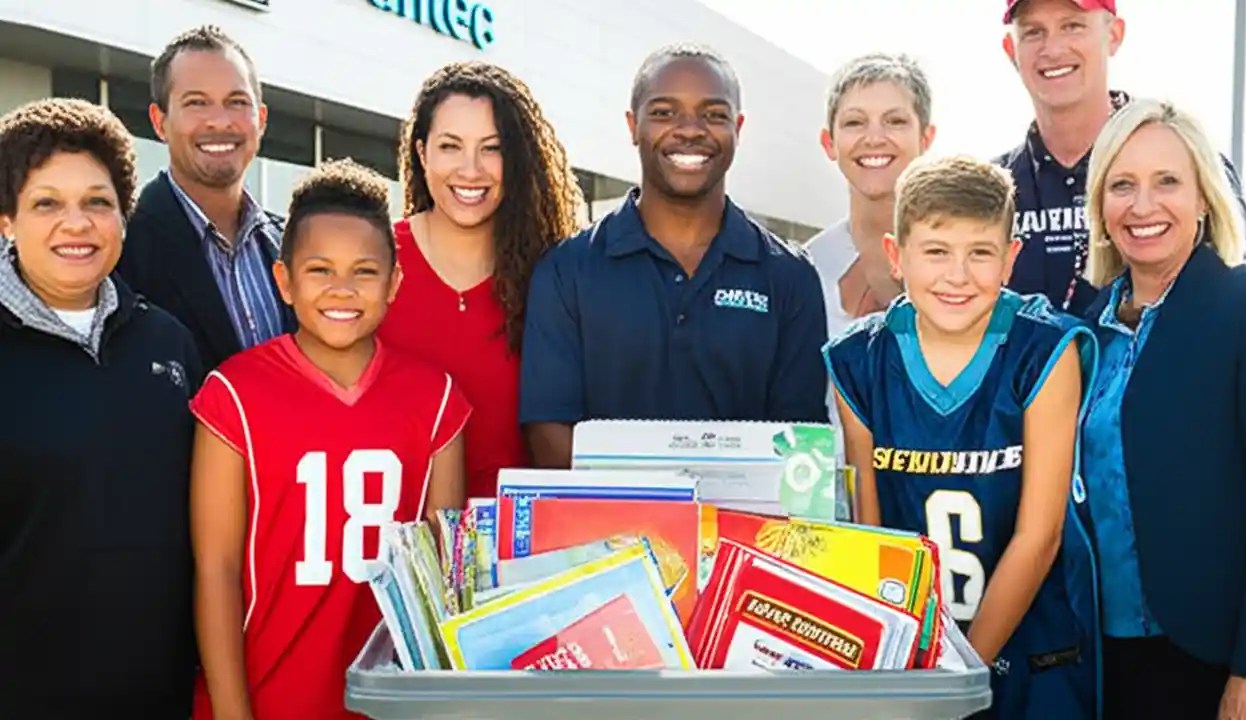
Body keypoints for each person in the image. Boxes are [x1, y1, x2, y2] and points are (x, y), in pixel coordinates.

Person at [188, 159, 469, 720]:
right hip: (266, 696)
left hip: (390, 703)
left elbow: (446, 576)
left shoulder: (435, 399)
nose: (342, 289)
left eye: (365, 271)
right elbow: (216, 568)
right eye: (320, 270)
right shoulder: (234, 395)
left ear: (394, 283)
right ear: (284, 281)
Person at [824, 155, 1099, 719]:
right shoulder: (860, 361)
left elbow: (1039, 536)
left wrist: (958, 675)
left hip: (1033, 657)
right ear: (896, 256)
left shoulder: (1044, 351)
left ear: (1010, 258)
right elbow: (872, 534)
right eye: (936, 252)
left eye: (980, 253)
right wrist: (911, 671)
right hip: (912, 657)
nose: (958, 275)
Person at [519, 44, 829, 468]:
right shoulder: (566, 271)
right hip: (604, 533)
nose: (689, 129)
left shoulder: (790, 277)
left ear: (738, 127)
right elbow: (549, 432)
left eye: (714, 115)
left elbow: (801, 445)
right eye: (664, 112)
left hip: (744, 534)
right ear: (633, 125)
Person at [1079, 98, 1246, 720]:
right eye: (1122, 185)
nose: (1143, 206)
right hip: (1100, 657)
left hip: (1212, 659)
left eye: (1167, 181)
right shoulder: (1085, 334)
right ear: (1101, 206)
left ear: (1203, 197)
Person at [0, 98, 202, 717]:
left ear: (122, 215)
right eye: (46, 203)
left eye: (97, 201)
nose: (76, 223)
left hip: (157, 695)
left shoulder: (168, 341)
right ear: (6, 220)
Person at [379, 61, 583, 499]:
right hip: (392, 549)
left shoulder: (552, 277)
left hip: (520, 550)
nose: (470, 170)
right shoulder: (374, 263)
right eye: (450, 146)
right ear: (421, 153)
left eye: (492, 148)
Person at [996, 0, 1246, 317]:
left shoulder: (1192, 167)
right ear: (1011, 49)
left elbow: (1245, 307)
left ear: (1115, 34)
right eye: (1034, 32)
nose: (1053, 48)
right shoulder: (992, 189)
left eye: (1072, 26)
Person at [118, 24, 294, 373]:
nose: (219, 121)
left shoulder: (294, 243)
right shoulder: (122, 245)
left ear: (260, 119)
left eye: (237, 102)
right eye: (196, 103)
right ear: (159, 121)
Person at [810, 52, 936, 334]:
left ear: (926, 138)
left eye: (895, 121)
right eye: (855, 122)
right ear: (829, 142)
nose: (875, 138)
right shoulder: (805, 268)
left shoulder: (963, 260)